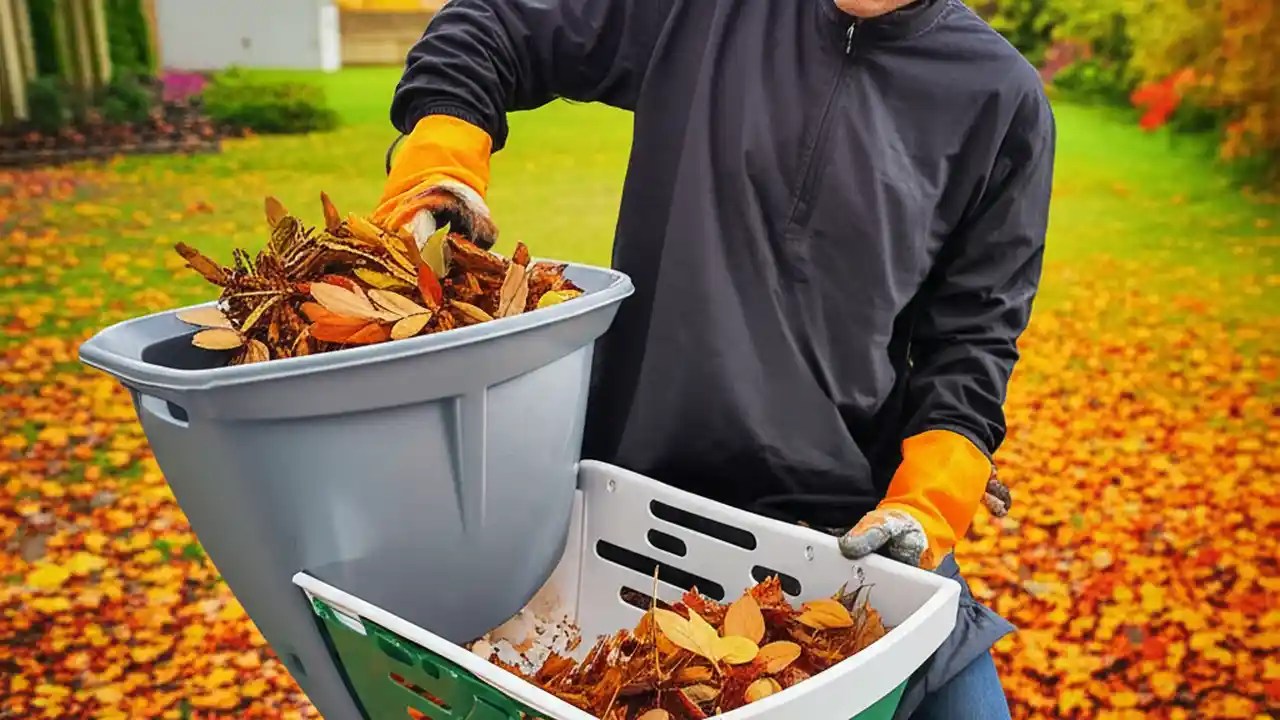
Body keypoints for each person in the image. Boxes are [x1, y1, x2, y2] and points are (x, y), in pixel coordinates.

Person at [373, 0, 1055, 717]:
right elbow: (494, 23)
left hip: (842, 537)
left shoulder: (999, 98)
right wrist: (438, 164)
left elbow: (974, 337)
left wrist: (932, 498)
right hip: (631, 512)